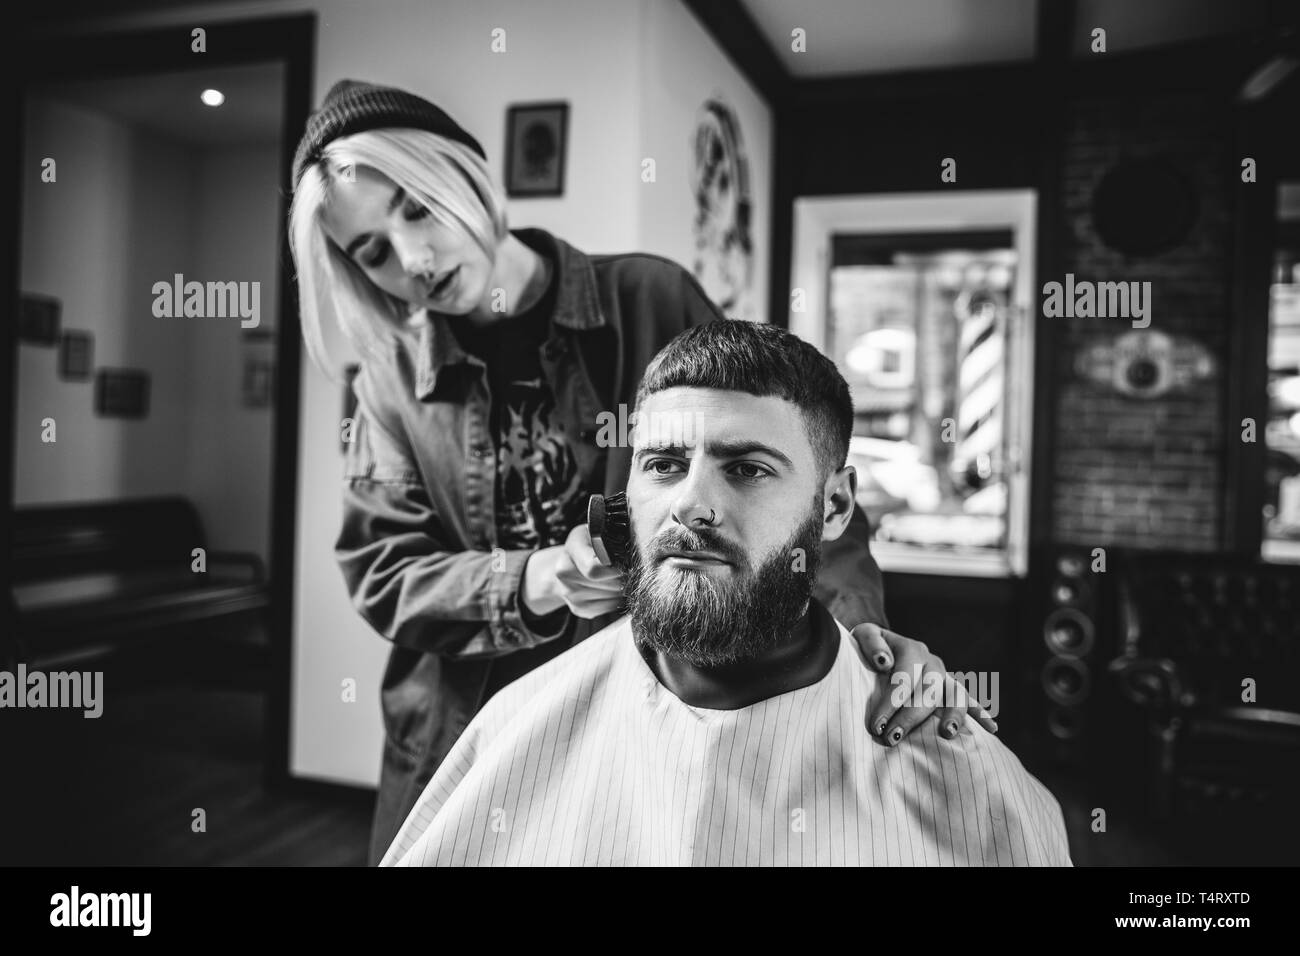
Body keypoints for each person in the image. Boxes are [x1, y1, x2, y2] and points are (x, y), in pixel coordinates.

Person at [288, 80, 996, 865]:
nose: (413, 261)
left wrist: (864, 634)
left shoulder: (649, 298)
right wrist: (536, 579)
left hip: (646, 728)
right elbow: (385, 572)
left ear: (468, 174)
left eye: (417, 208)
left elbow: (786, 467)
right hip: (461, 731)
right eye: (373, 252)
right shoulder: (384, 380)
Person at [381, 321, 1071, 867]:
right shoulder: (518, 727)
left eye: (745, 468)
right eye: (663, 465)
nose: (691, 506)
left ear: (833, 508)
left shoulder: (950, 764)